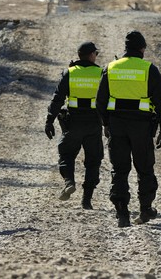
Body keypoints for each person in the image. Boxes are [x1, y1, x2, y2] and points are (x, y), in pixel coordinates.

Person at [95, 31, 161, 227]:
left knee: (119, 169)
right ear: (142, 48)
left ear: (125, 48)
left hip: (117, 126)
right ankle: (145, 209)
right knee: (144, 168)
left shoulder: (110, 68)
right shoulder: (149, 69)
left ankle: (122, 214)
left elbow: (100, 101)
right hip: (142, 127)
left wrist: (106, 124)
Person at [44, 41, 104, 209]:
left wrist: (49, 120)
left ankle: (69, 181)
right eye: (96, 54)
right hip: (94, 123)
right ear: (91, 55)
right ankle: (87, 199)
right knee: (93, 161)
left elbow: (57, 99)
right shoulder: (101, 73)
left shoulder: (69, 73)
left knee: (67, 154)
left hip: (73, 122)